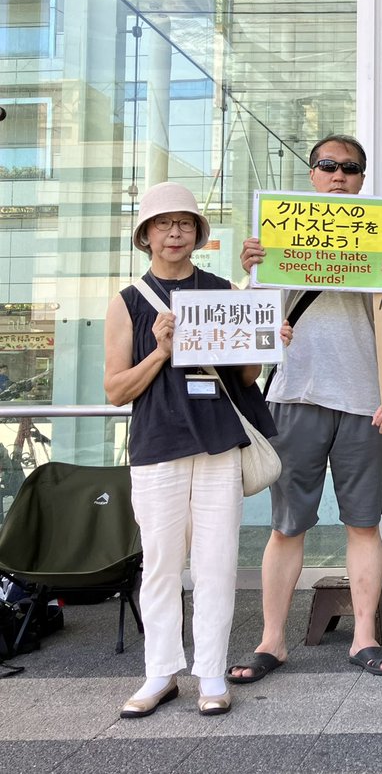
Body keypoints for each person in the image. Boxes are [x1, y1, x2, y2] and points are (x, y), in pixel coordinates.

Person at [228, 135, 382, 682]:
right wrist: (253, 268)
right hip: (293, 395)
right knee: (286, 526)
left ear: (361, 179)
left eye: (351, 168)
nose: (338, 176)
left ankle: (364, 638)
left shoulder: (380, 247)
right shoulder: (275, 238)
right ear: (312, 174)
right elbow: (248, 325)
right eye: (328, 166)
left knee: (363, 525)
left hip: (364, 402)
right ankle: (271, 641)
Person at [104, 182, 277, 717]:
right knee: (159, 564)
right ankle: (159, 673)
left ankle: (210, 673)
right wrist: (160, 351)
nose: (174, 232)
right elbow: (115, 390)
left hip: (218, 442)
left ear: (198, 234)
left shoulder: (223, 289)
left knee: (217, 563)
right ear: (146, 236)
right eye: (163, 223)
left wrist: (265, 336)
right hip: (157, 445)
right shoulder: (129, 300)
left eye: (184, 223)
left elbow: (246, 375)